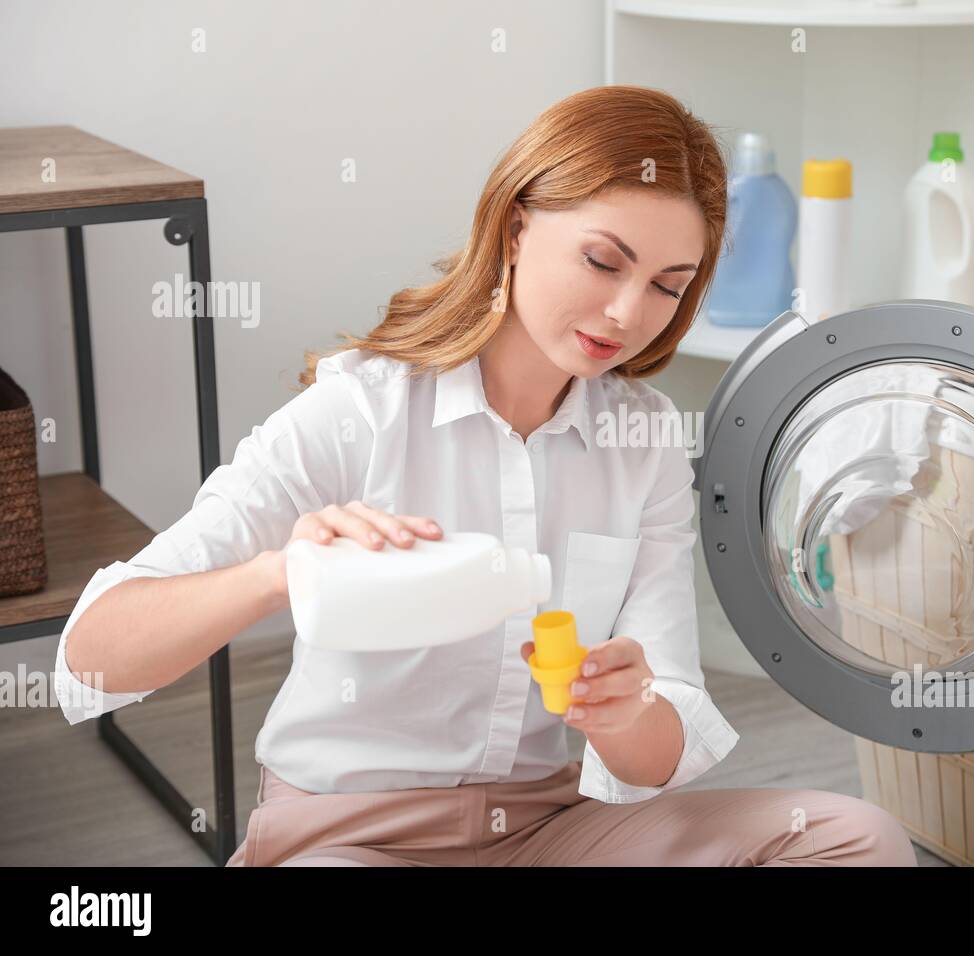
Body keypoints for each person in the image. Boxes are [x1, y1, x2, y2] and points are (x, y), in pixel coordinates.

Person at [54, 85, 917, 867]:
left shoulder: (644, 441)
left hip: (551, 828)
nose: (627, 313)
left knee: (853, 839)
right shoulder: (361, 409)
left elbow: (661, 747)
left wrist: (626, 714)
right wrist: (281, 572)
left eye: (667, 285)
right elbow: (90, 660)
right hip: (349, 836)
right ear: (513, 229)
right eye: (603, 261)